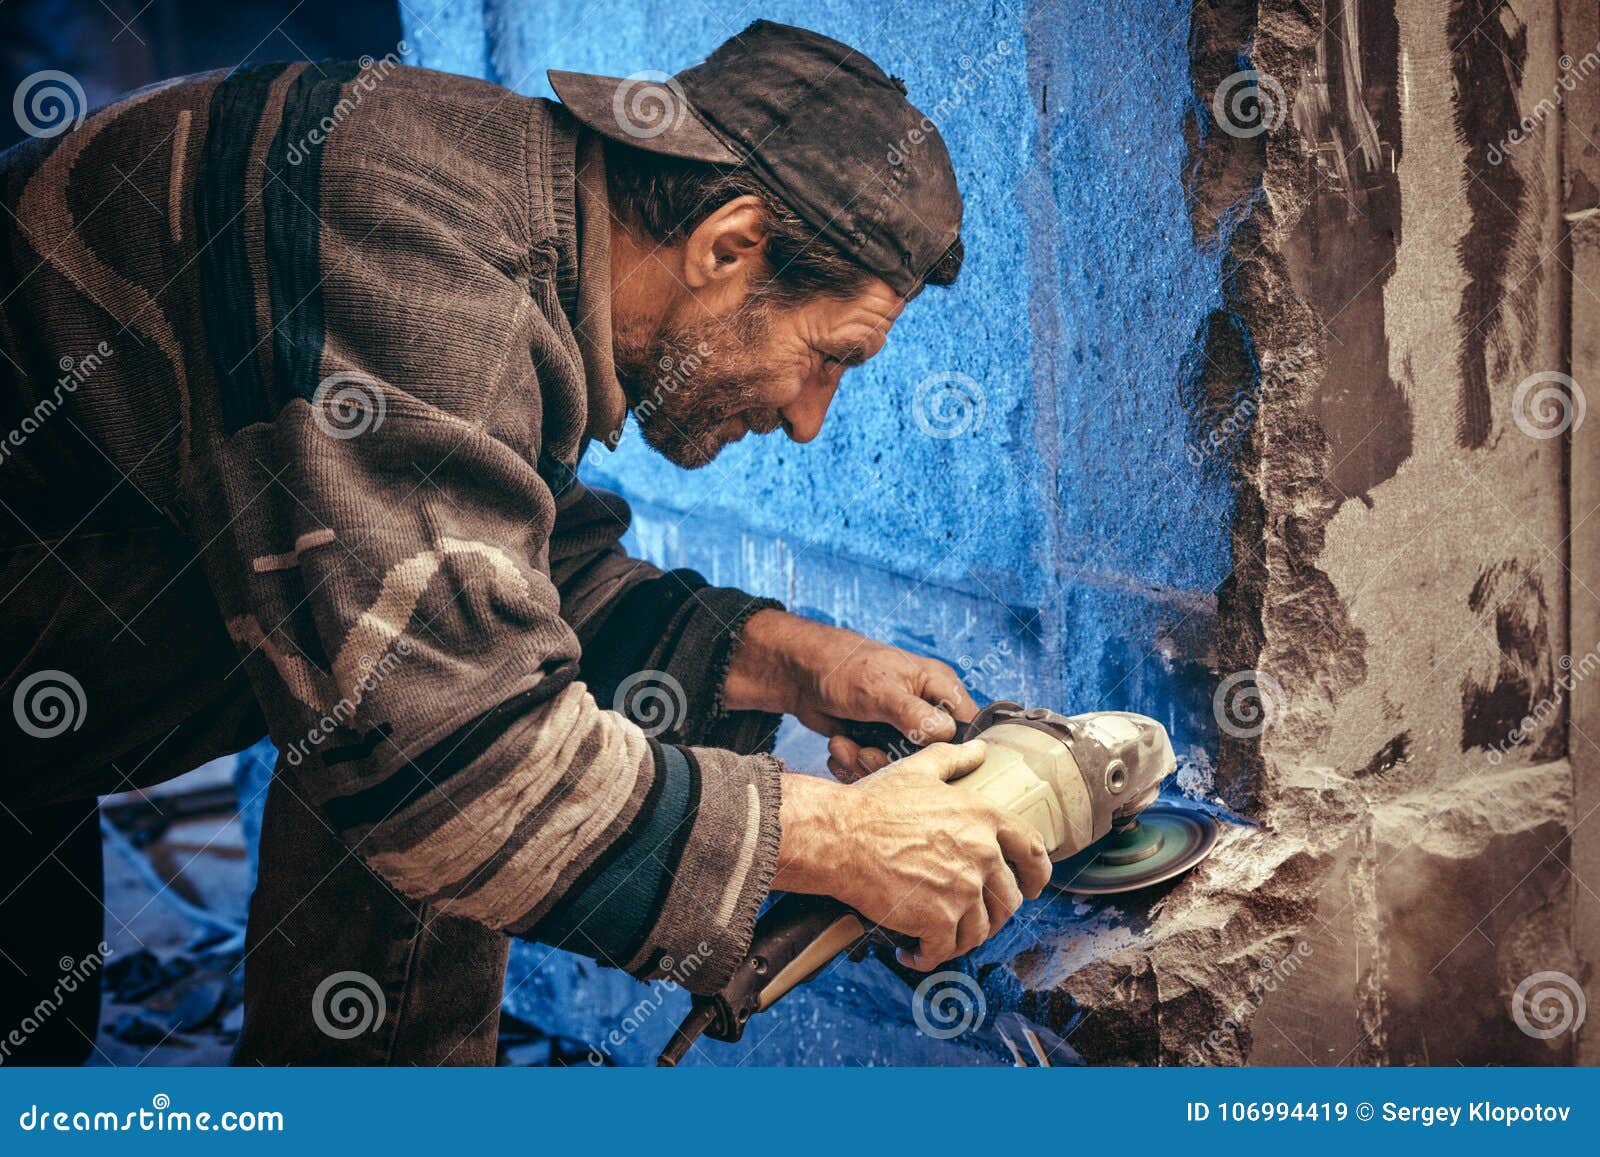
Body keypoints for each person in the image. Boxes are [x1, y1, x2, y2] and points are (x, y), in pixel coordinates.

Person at [0, 19, 1050, 1064]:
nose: (810, 414)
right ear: (727, 245)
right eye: (831, 356)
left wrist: (783, 656)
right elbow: (451, 757)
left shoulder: (494, 223)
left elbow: (480, 586)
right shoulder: (408, 254)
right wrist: (842, 838)